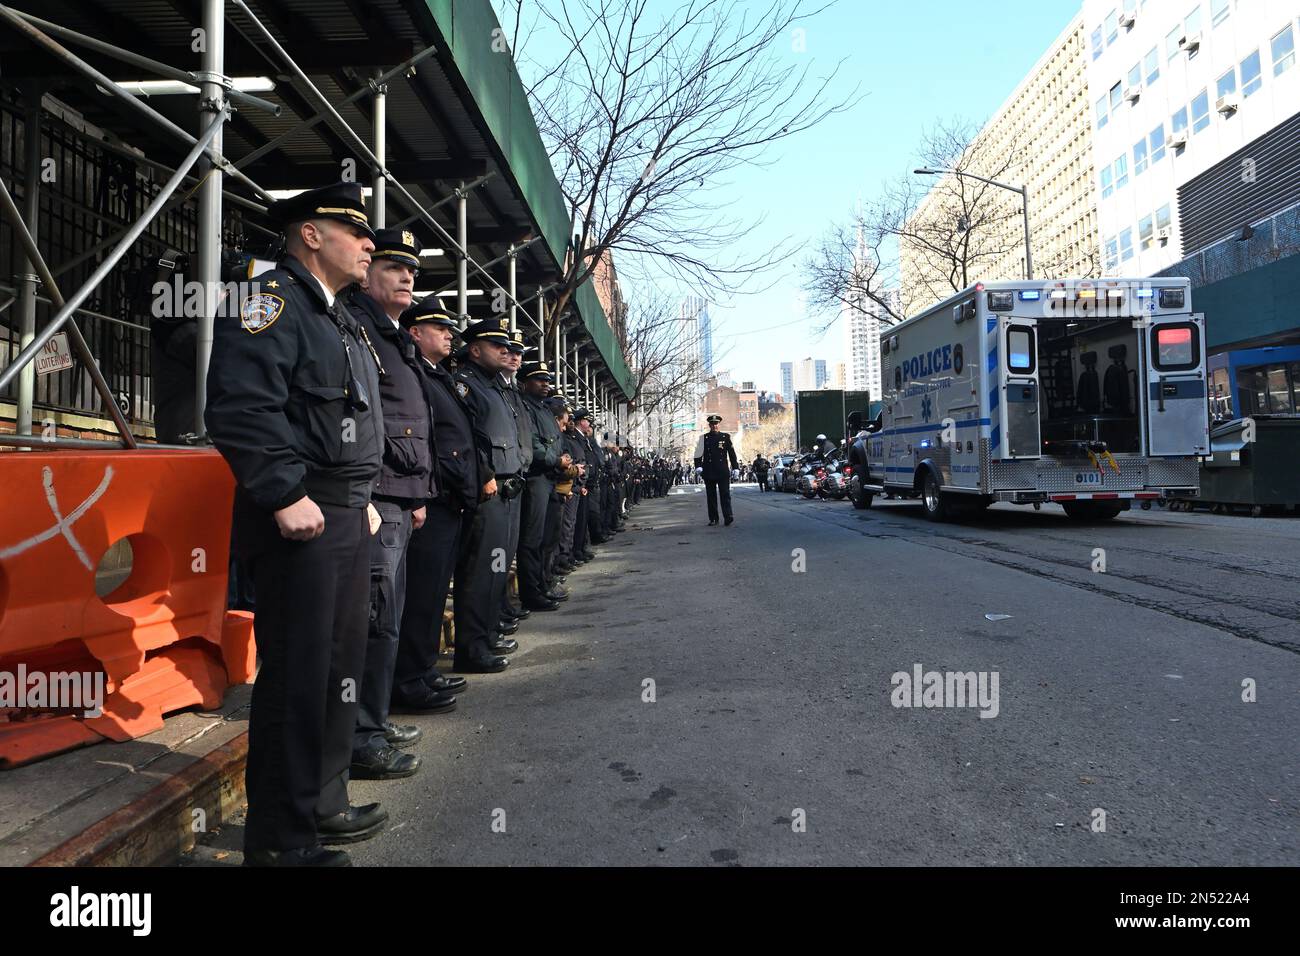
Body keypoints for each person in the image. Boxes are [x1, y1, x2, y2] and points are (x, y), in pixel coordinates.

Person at [206, 182, 385, 866]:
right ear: (311, 234)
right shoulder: (270, 301)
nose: (370, 243)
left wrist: (361, 491)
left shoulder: (336, 316)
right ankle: (281, 841)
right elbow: (240, 406)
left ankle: (322, 802)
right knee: (297, 677)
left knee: (341, 666)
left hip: (341, 509)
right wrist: (283, 491)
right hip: (299, 516)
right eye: (356, 231)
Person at [344, 229, 446, 783]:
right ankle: (361, 735)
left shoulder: (392, 337)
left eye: (412, 269)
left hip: (400, 496)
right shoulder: (356, 326)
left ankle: (374, 721)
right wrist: (373, 494)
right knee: (375, 619)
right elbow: (367, 421)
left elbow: (416, 423)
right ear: (366, 272)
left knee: (390, 615)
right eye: (392, 267)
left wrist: (418, 494)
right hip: (375, 495)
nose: (407, 276)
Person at [392, 298, 474, 703]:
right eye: (437, 327)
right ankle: (408, 677)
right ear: (414, 332)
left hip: (447, 495)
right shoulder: (415, 373)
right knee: (421, 592)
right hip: (431, 494)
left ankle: (423, 669)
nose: (448, 334)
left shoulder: (438, 374)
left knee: (435, 588)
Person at [452, 319, 527, 671]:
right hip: (490, 488)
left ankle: (488, 634)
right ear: (474, 349)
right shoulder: (466, 385)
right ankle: (473, 648)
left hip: (508, 486)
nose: (505, 351)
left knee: (497, 570)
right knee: (480, 570)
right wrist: (485, 475)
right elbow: (468, 437)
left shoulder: (495, 387)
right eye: (496, 345)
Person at [517, 359, 569, 611]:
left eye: (548, 380)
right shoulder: (526, 407)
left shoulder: (544, 409)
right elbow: (534, 445)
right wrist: (555, 459)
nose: (546, 384)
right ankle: (532, 592)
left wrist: (560, 458)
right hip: (536, 478)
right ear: (525, 382)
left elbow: (555, 441)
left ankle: (541, 585)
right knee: (532, 539)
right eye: (540, 380)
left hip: (549, 478)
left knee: (545, 537)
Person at [693, 414, 739, 526]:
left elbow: (732, 454)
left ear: (719, 424)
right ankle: (713, 518)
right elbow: (698, 454)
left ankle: (728, 516)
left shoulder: (725, 437)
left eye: (716, 423)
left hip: (722, 470)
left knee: (725, 494)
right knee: (711, 496)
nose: (714, 426)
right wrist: (698, 466)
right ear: (709, 425)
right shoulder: (703, 438)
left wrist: (735, 467)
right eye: (712, 424)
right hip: (709, 470)